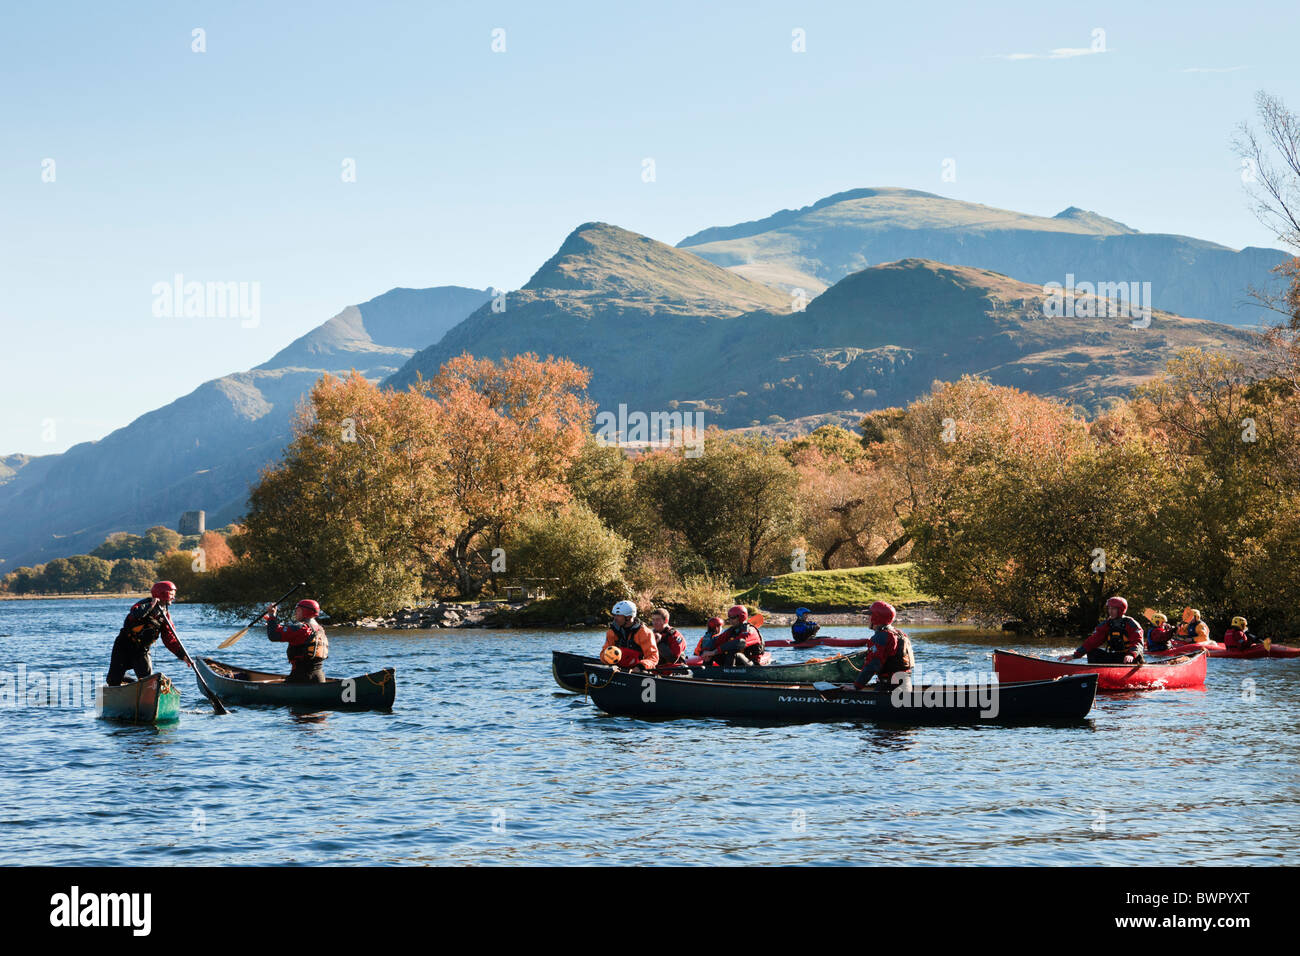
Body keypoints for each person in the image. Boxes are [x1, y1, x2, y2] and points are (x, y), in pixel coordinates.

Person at [107, 580, 193, 685]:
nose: (173, 598)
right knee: (113, 680)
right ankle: (123, 681)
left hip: (141, 650)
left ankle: (136, 687)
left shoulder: (165, 616)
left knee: (147, 681)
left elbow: (170, 639)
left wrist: (183, 655)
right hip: (123, 646)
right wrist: (151, 605)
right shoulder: (143, 605)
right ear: (162, 593)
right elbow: (135, 615)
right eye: (171, 594)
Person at [265, 598, 330, 683]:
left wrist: (272, 616)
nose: (296, 613)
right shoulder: (320, 629)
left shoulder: (301, 628)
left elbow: (273, 635)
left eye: (298, 610)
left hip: (300, 678)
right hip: (319, 678)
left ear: (304, 612)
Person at [853, 601, 914, 690]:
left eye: (870, 615)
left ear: (876, 618)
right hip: (905, 686)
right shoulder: (900, 634)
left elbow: (873, 665)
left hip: (889, 688)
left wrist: (856, 686)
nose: (868, 619)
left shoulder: (881, 637)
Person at [1071, 596, 1144, 664]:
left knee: (1130, 658)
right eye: (1109, 608)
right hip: (1116, 656)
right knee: (1092, 652)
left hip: (1130, 657)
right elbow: (1092, 641)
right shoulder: (1106, 624)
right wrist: (1075, 655)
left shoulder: (1131, 624)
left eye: (1113, 609)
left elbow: (1138, 642)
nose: (1110, 611)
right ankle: (1095, 671)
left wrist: (1131, 654)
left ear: (1121, 609)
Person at [600, 600, 658, 670]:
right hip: (616, 668)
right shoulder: (612, 632)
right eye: (615, 615)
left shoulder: (645, 633)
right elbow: (603, 653)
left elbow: (653, 657)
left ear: (629, 617)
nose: (615, 618)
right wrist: (606, 658)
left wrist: (640, 667)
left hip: (638, 670)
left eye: (618, 615)